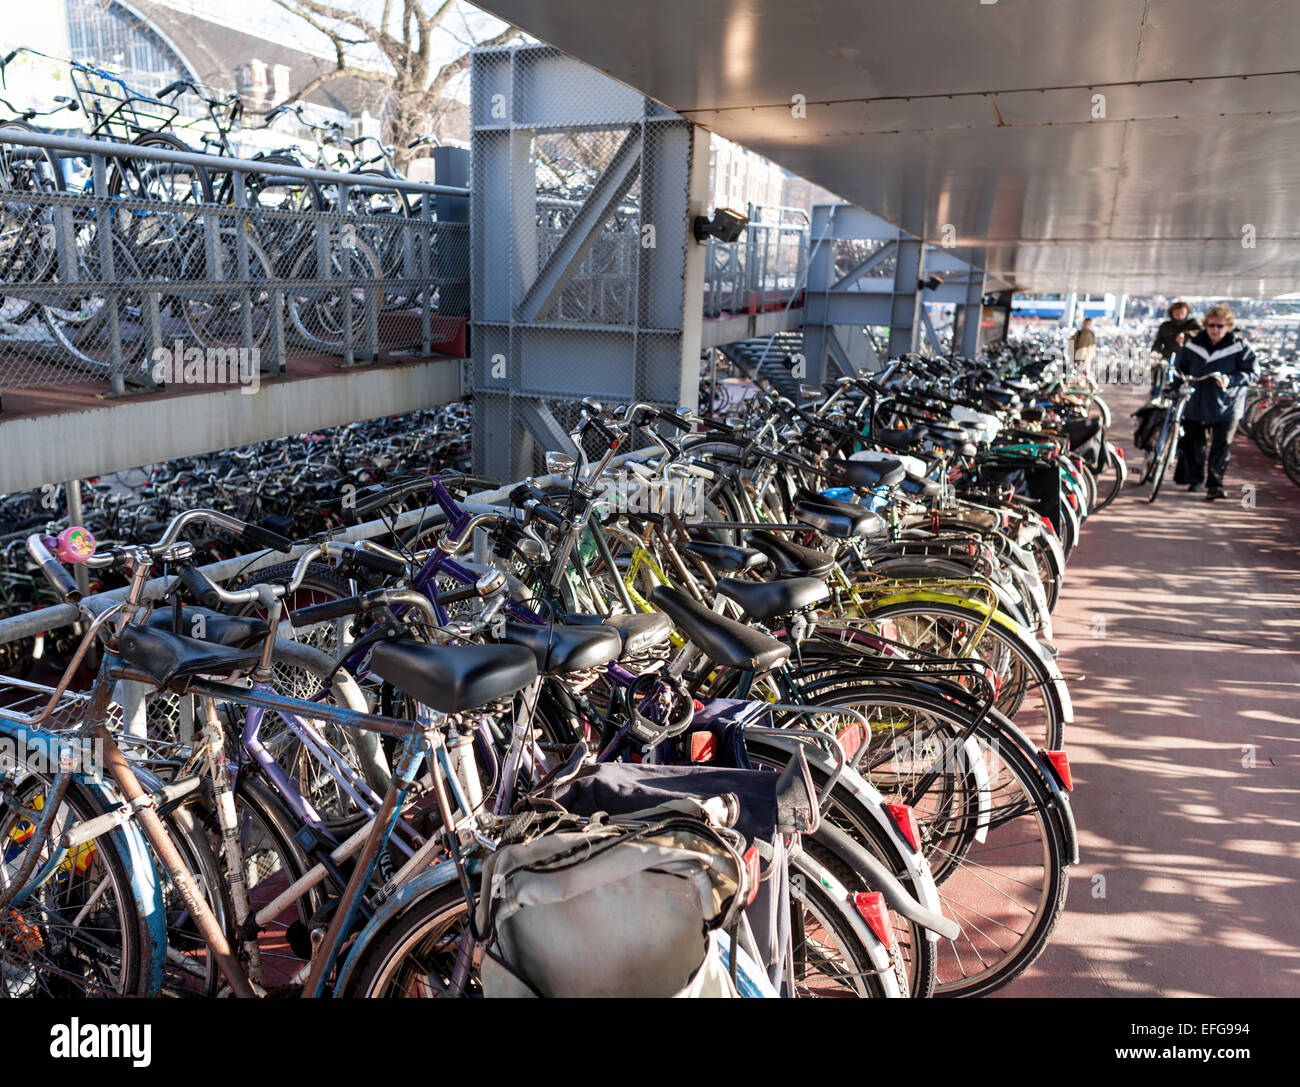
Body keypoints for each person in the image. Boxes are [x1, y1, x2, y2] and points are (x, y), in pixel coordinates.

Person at [1171, 303, 1257, 500]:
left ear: (1228, 326)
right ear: (1205, 325)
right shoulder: (1193, 344)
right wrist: (1176, 386)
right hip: (1196, 402)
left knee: (1221, 446)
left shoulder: (1240, 346)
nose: (1215, 330)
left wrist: (1231, 380)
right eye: (1211, 325)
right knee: (1194, 443)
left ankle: (1215, 485)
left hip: (1228, 405)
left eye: (1220, 326)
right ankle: (1195, 479)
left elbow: (1252, 373)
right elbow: (1181, 369)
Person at [1150, 301, 1200, 392]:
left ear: (1187, 313)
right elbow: (1158, 341)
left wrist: (1185, 334)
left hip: (1186, 358)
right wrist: (1155, 351)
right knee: (1160, 369)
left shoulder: (1193, 324)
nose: (1179, 316)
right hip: (1168, 356)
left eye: (1182, 313)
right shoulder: (1165, 326)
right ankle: (1156, 394)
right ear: (1172, 313)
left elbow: (1200, 333)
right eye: (1177, 313)